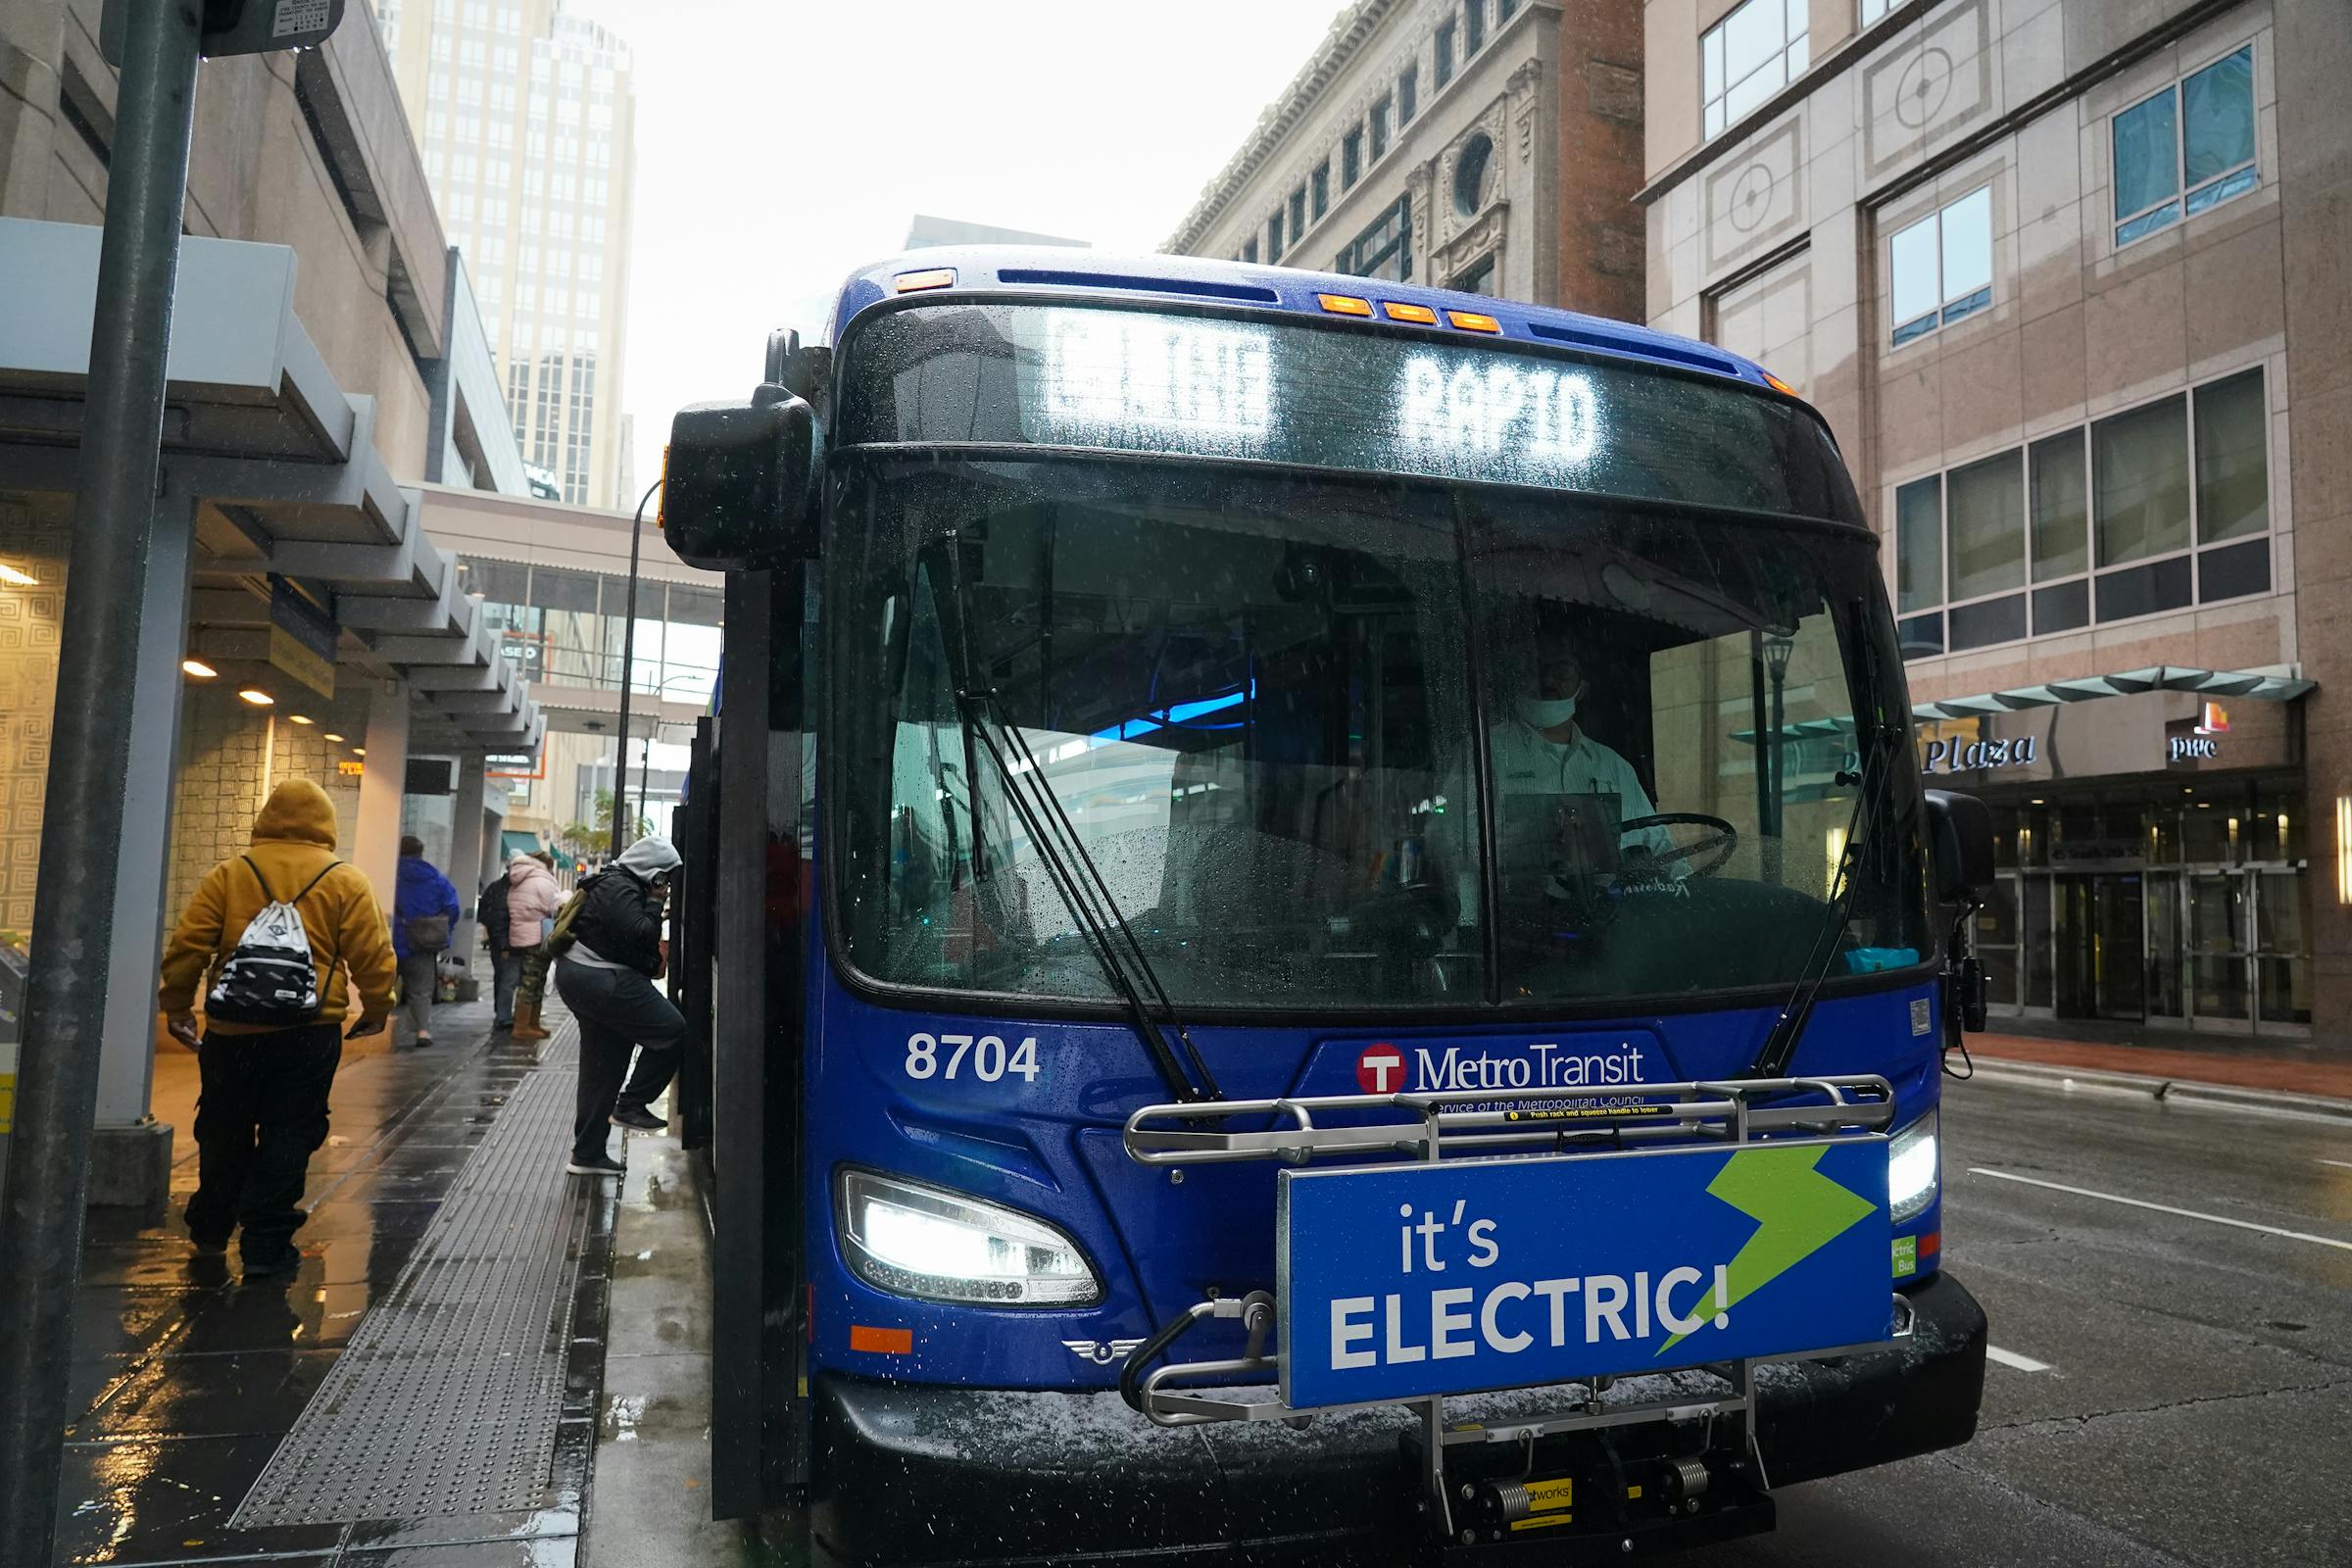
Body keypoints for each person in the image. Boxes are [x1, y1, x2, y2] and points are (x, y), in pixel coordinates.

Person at [159, 777, 396, 1279]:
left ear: (265, 822)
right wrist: (377, 1006)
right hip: (310, 1031)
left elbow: (188, 944)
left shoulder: (231, 874)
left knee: (224, 1126)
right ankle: (267, 1245)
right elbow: (373, 954)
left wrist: (178, 1004)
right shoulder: (344, 880)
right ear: (325, 825)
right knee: (292, 1129)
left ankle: (210, 1229)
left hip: (232, 1029)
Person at [554, 835, 684, 1176]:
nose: (666, 885)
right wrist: (655, 903)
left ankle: (588, 1154)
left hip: (584, 977)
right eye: (663, 877)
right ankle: (632, 1104)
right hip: (600, 978)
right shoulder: (619, 886)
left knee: (603, 1068)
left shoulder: (613, 884)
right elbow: (640, 932)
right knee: (671, 1030)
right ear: (651, 870)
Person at [392, 836, 460, 1049]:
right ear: (421, 853)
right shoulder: (435, 879)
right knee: (420, 989)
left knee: (382, 985)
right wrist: (439, 928)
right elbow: (452, 908)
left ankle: (377, 1026)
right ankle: (422, 1031)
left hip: (390, 939)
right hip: (422, 943)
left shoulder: (390, 873)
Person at [504, 849, 562, 1039]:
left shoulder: (520, 878)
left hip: (521, 933)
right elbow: (554, 905)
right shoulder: (541, 879)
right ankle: (523, 1026)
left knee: (531, 979)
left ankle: (531, 1023)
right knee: (533, 981)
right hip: (538, 935)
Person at [479, 862, 515, 1030]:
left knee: (502, 977)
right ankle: (503, 1015)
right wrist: (503, 945)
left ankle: (501, 1012)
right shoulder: (505, 890)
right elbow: (496, 918)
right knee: (505, 978)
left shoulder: (496, 887)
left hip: (501, 941)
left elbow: (485, 914)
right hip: (505, 942)